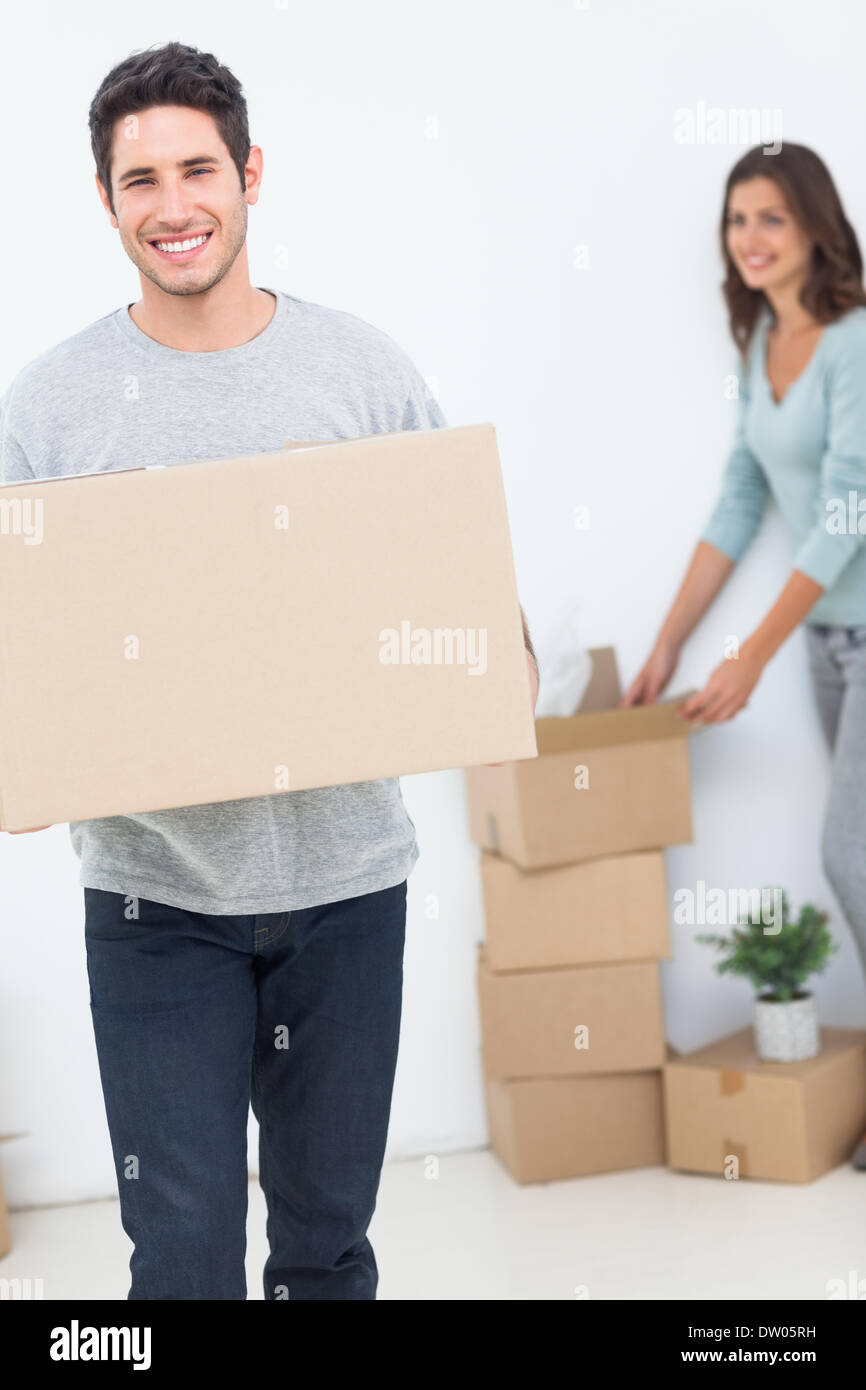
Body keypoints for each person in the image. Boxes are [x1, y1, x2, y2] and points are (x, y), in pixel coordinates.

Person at [0, 40, 539, 1299]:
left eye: (198, 169)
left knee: (322, 1250)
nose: (173, 206)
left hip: (346, 888)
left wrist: (495, 665)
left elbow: (466, 598)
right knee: (181, 1263)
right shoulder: (50, 410)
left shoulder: (360, 372)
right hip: (152, 902)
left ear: (250, 174)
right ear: (104, 200)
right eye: (141, 181)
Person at [622, 143, 866, 1168]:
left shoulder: (853, 343)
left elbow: (846, 509)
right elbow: (737, 498)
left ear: (814, 225)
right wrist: (669, 641)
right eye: (734, 220)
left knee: (845, 855)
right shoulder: (762, 337)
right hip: (826, 638)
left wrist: (747, 657)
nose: (749, 240)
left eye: (769, 217)